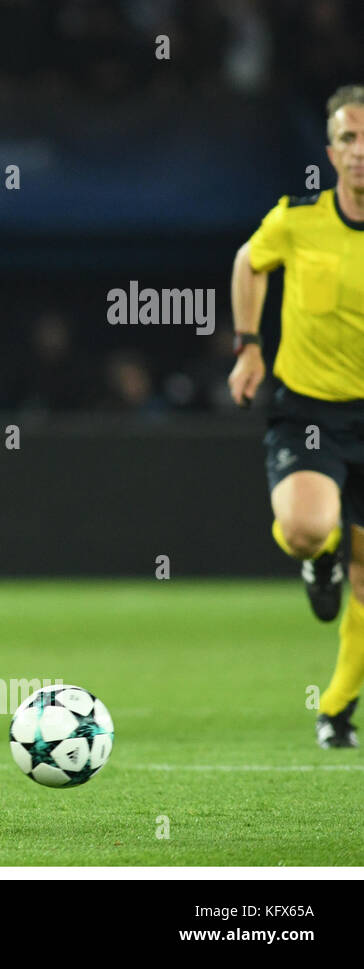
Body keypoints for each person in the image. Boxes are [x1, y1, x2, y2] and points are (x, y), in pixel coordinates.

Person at [228, 84, 364, 748]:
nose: (361, 151)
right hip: (309, 408)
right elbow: (249, 263)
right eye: (348, 138)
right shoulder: (299, 218)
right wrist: (249, 346)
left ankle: (336, 710)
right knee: (310, 527)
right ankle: (320, 557)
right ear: (332, 150)